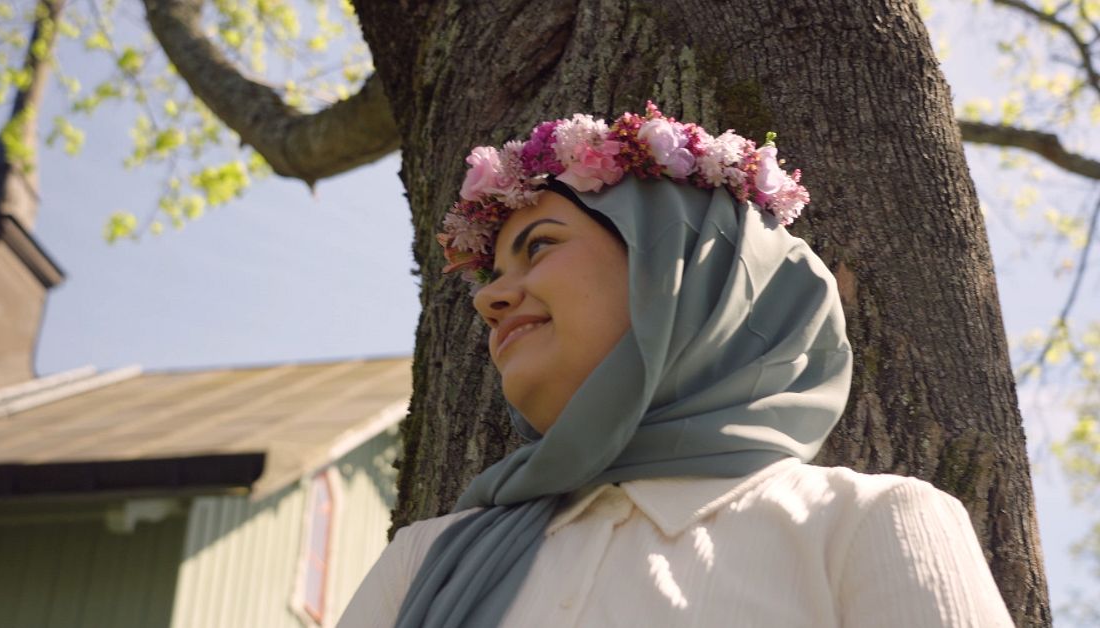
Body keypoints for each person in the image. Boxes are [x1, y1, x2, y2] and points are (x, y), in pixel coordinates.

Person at [337, 103, 1013, 627]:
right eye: (493, 274)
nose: (489, 297)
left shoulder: (860, 524)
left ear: (689, 275)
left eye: (539, 247)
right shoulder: (424, 560)